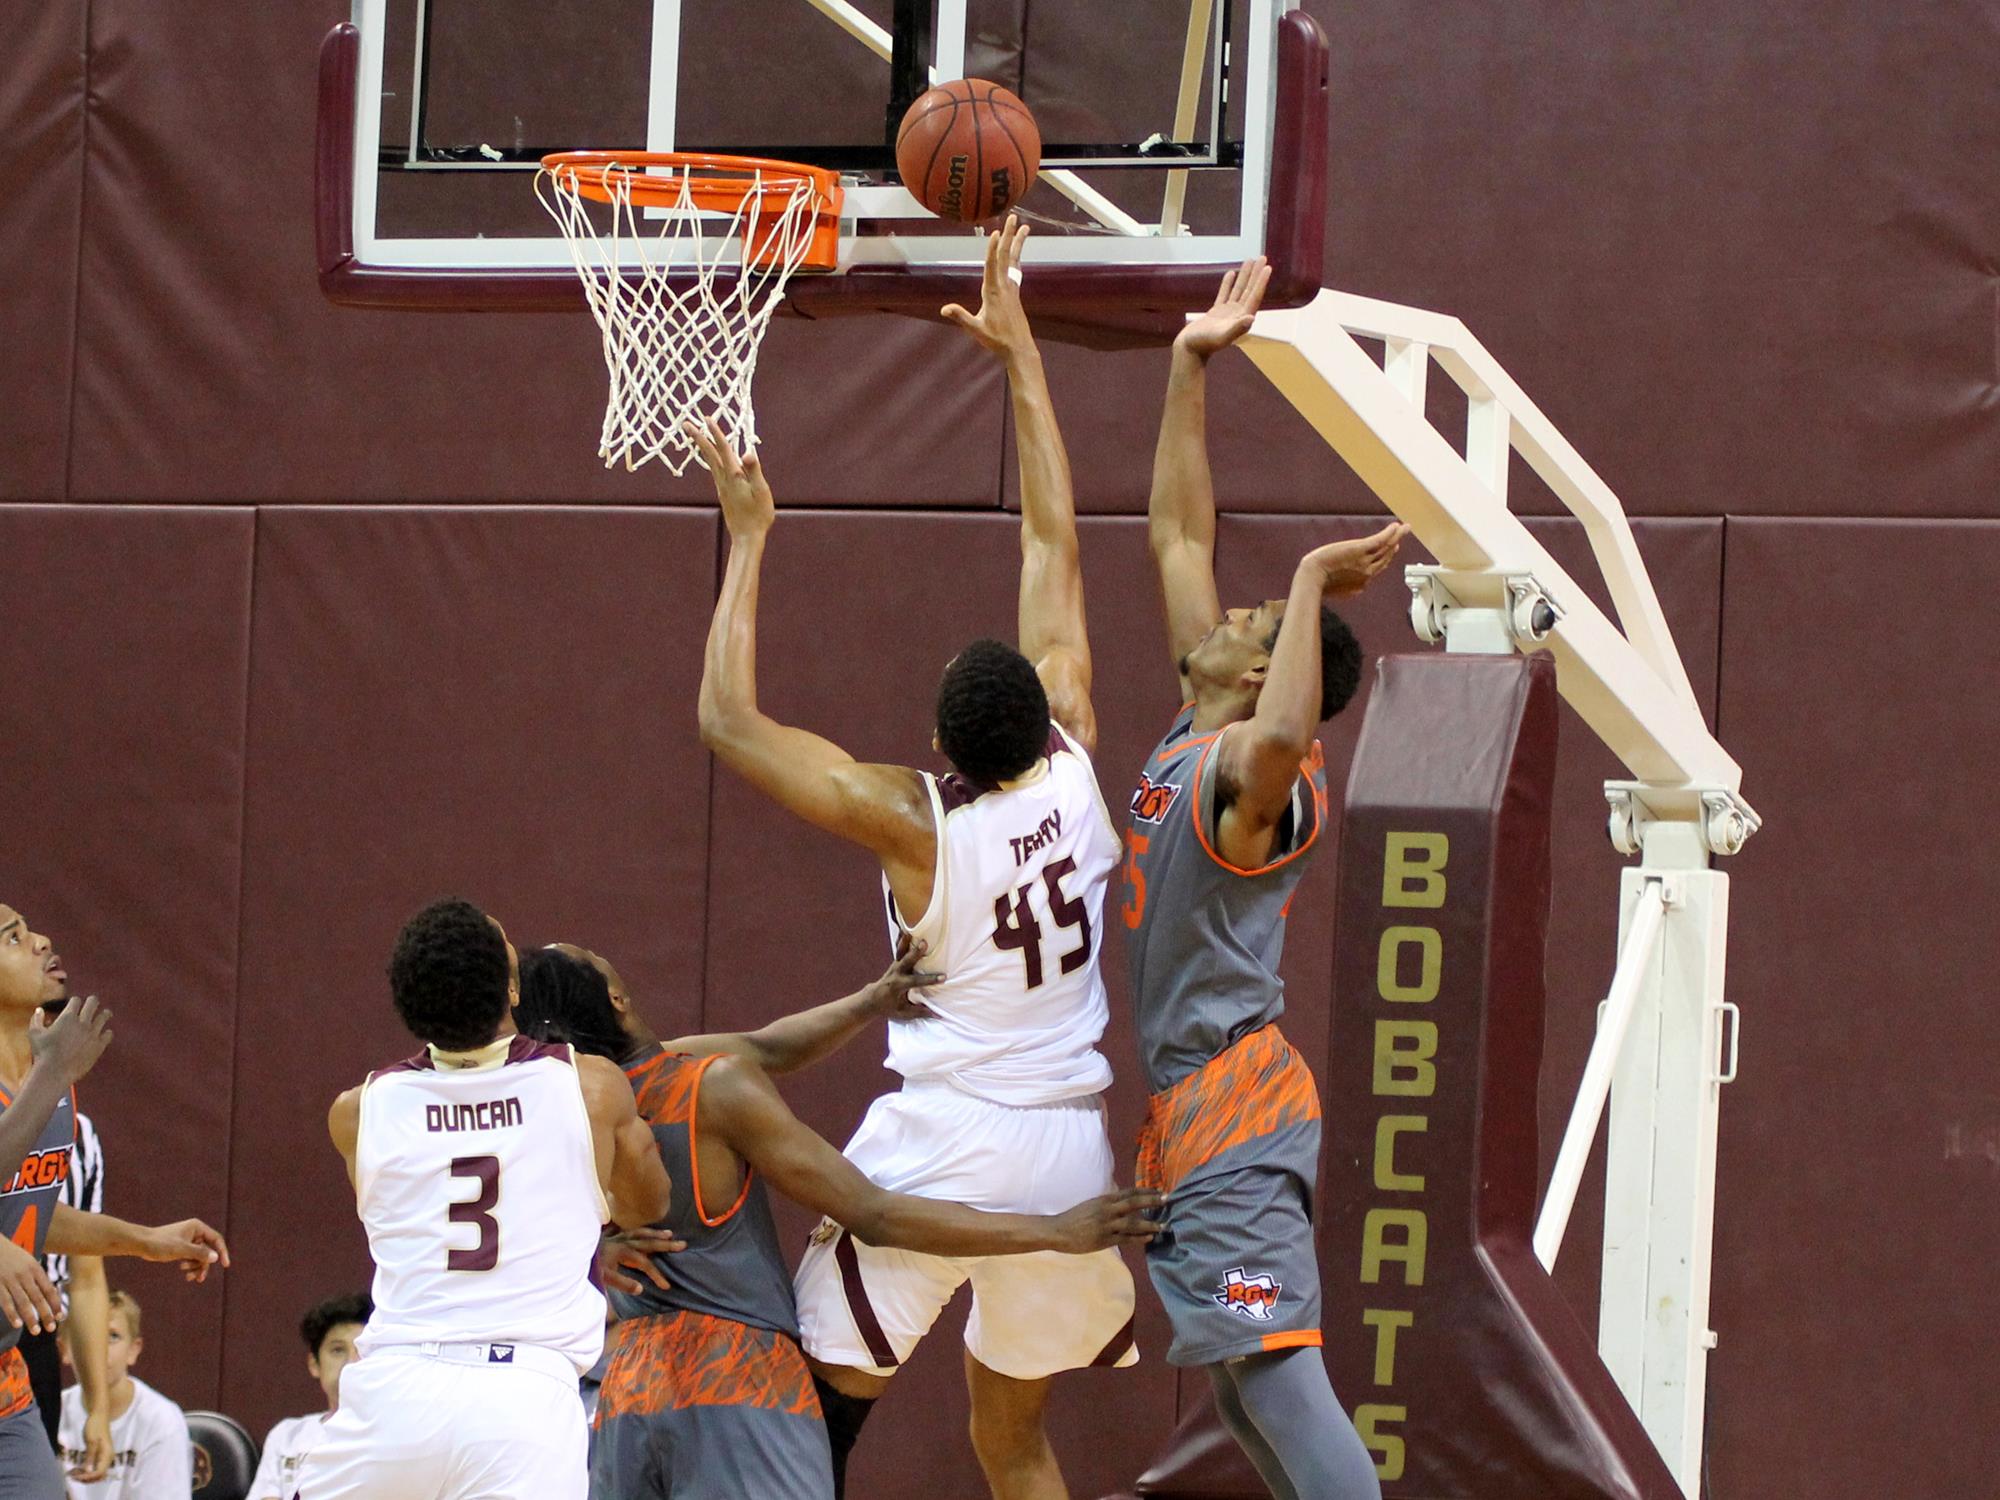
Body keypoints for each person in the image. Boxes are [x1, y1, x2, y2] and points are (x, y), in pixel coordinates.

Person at [693, 217, 1140, 1500]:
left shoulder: (912, 822)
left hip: (944, 1142)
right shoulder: (1074, 754)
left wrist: (750, 537)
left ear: (941, 738)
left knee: (810, 1420)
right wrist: (1021, 360)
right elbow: (1051, 546)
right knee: (1009, 1439)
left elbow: (729, 724)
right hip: (1065, 1142)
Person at [516, 942, 1161, 1500]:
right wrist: (1056, 1232)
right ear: (618, 999)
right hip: (736, 1376)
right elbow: (874, 1214)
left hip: (629, 1392)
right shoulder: (712, 1088)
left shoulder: (562, 1114)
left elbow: (771, 1045)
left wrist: (868, 1002)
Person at [1122, 259, 1405, 1500]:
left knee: (1277, 1370)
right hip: (1193, 1120)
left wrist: (1300, 586)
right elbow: (1176, 528)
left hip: (1234, 1113)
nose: (1224, 607)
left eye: (1246, 620)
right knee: (1242, 1383)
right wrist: (1190, 366)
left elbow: (1288, 735)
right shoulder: (1195, 724)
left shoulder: (1253, 778)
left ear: (1256, 671)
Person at [293, 898, 672, 1500]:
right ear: (512, 988)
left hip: (393, 1392)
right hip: (522, 1400)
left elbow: (408, 1219)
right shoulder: (591, 1087)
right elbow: (647, 1206)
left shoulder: (357, 1112)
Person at [0, 904, 226, 1498]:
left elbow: (32, 1210)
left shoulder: (51, 1084)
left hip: (5, 1385)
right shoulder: (51, 1077)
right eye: (13, 937)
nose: (41, 938)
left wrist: (144, 1240)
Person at [55, 1292, 188, 1499]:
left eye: (112, 1336)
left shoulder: (161, 1420)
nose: (99, 1348)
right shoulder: (51, 1412)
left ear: (133, 1350)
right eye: (86, 1334)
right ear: (64, 1349)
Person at [245, 1294, 370, 1500]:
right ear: (314, 1363)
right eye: (338, 1350)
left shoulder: (398, 1436)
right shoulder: (287, 1436)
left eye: (362, 1351)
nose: (351, 1363)